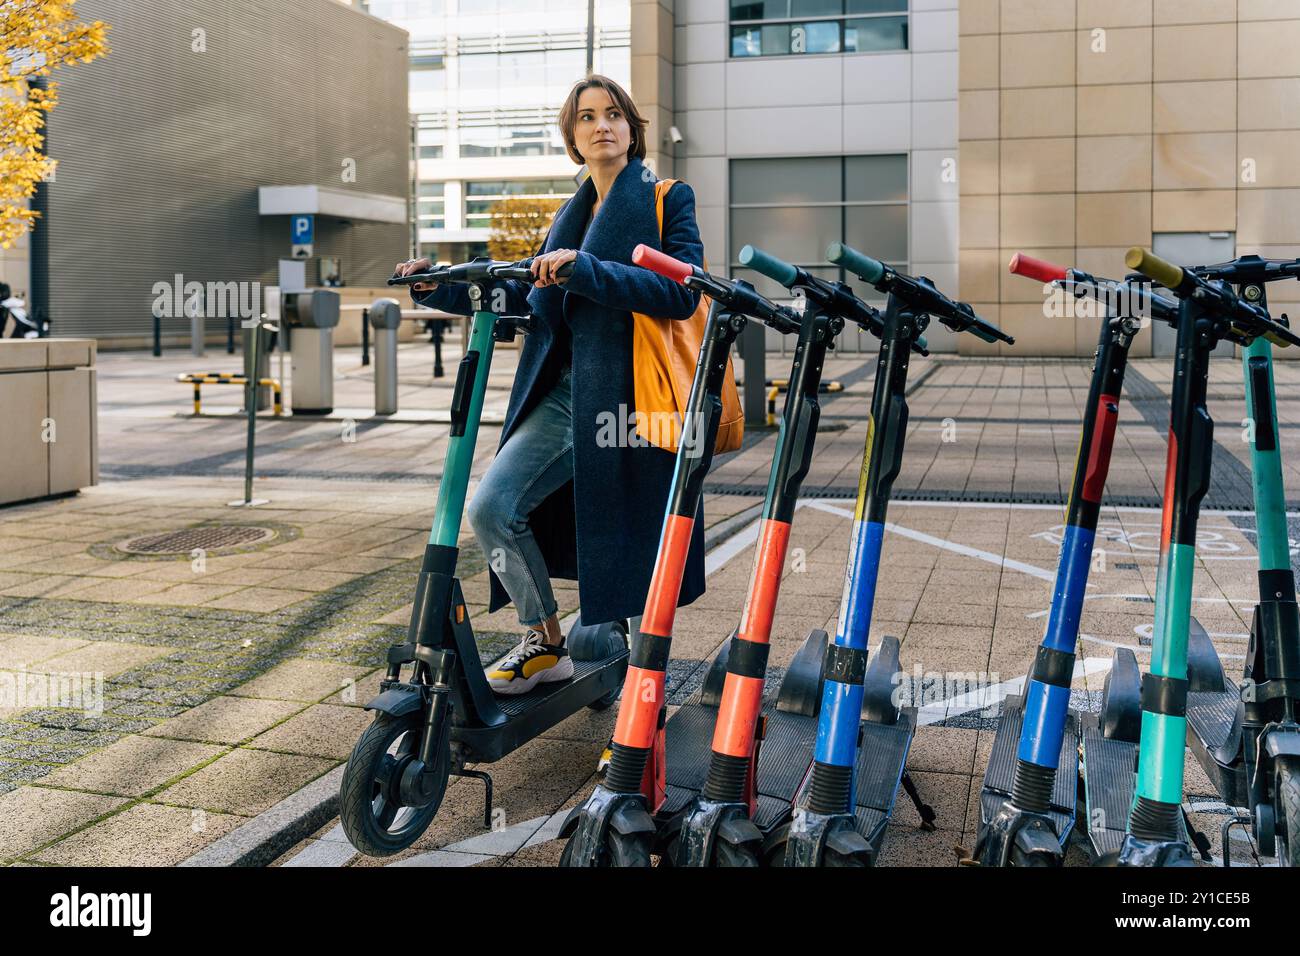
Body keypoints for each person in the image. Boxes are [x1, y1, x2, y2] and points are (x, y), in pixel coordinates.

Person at [394, 74, 709, 695]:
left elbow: (681, 290)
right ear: (572, 135)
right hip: (563, 394)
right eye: (587, 117)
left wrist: (589, 271)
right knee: (492, 510)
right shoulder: (570, 211)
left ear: (632, 127)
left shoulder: (666, 198)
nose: (602, 126)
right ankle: (546, 642)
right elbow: (526, 293)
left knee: (637, 553)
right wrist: (442, 287)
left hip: (628, 398)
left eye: (614, 114)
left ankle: (642, 706)